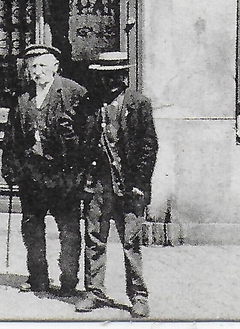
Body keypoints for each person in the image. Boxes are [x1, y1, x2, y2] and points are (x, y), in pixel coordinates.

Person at [76, 52, 158, 318]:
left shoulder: (139, 104)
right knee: (94, 239)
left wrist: (140, 182)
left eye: (115, 75)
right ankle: (93, 292)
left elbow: (149, 146)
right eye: (103, 75)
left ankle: (138, 296)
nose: (109, 80)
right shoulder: (89, 104)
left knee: (131, 242)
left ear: (124, 76)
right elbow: (79, 142)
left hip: (129, 186)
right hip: (97, 186)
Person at [4, 44, 89, 296]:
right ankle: (38, 278)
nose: (37, 71)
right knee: (31, 227)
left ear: (55, 67)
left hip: (64, 176)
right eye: (32, 67)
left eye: (42, 65)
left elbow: (87, 135)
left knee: (69, 230)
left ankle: (68, 282)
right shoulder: (23, 97)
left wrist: (80, 170)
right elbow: (11, 137)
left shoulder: (73, 92)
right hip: (32, 175)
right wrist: (10, 167)